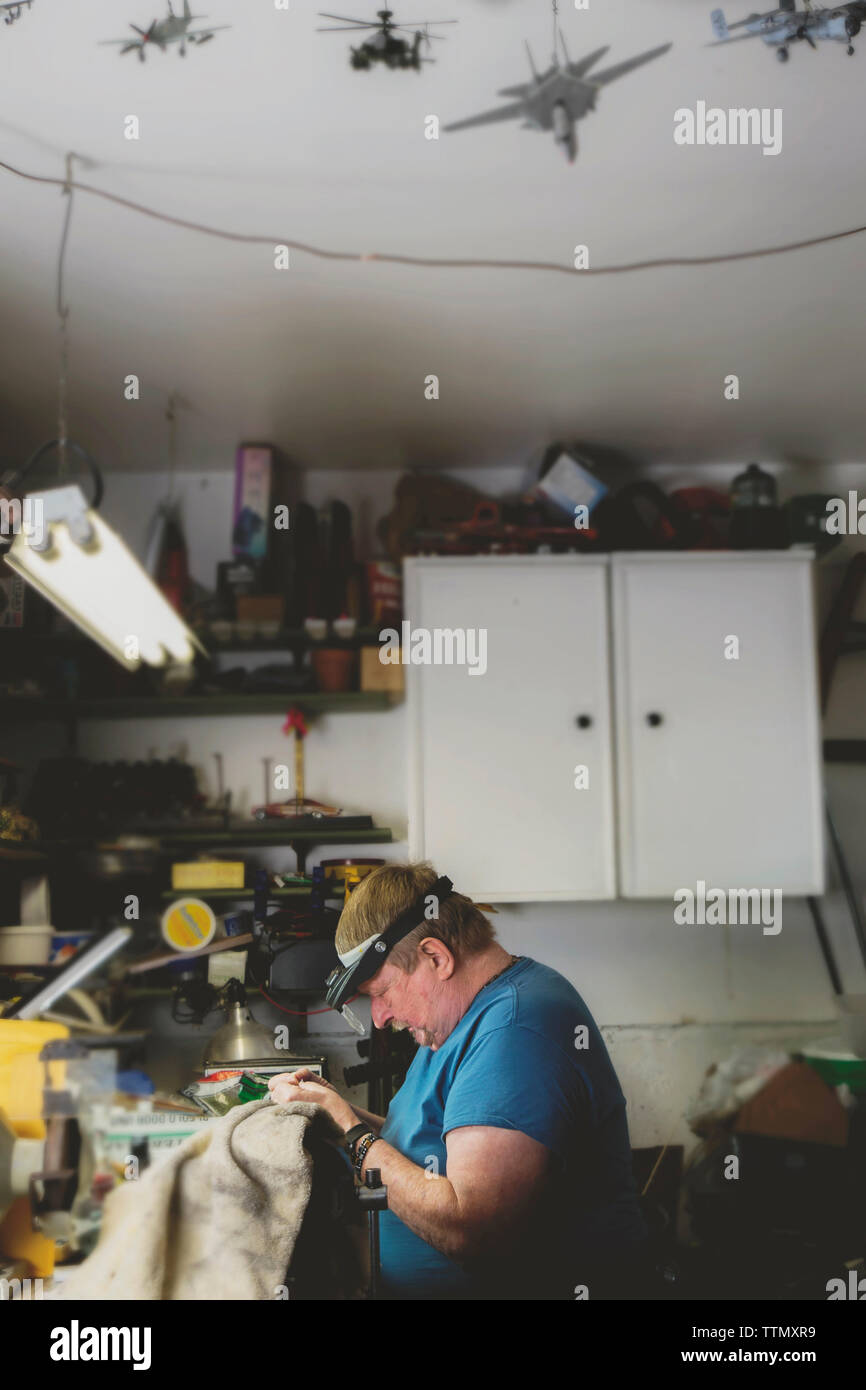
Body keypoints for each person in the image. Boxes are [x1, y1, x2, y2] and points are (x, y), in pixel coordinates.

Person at [269, 862, 648, 1300]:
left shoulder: (515, 1030)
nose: (380, 1017)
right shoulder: (458, 1023)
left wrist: (354, 1137)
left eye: (381, 992)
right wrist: (337, 1116)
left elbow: (473, 1234)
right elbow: (419, 1145)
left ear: (436, 957)